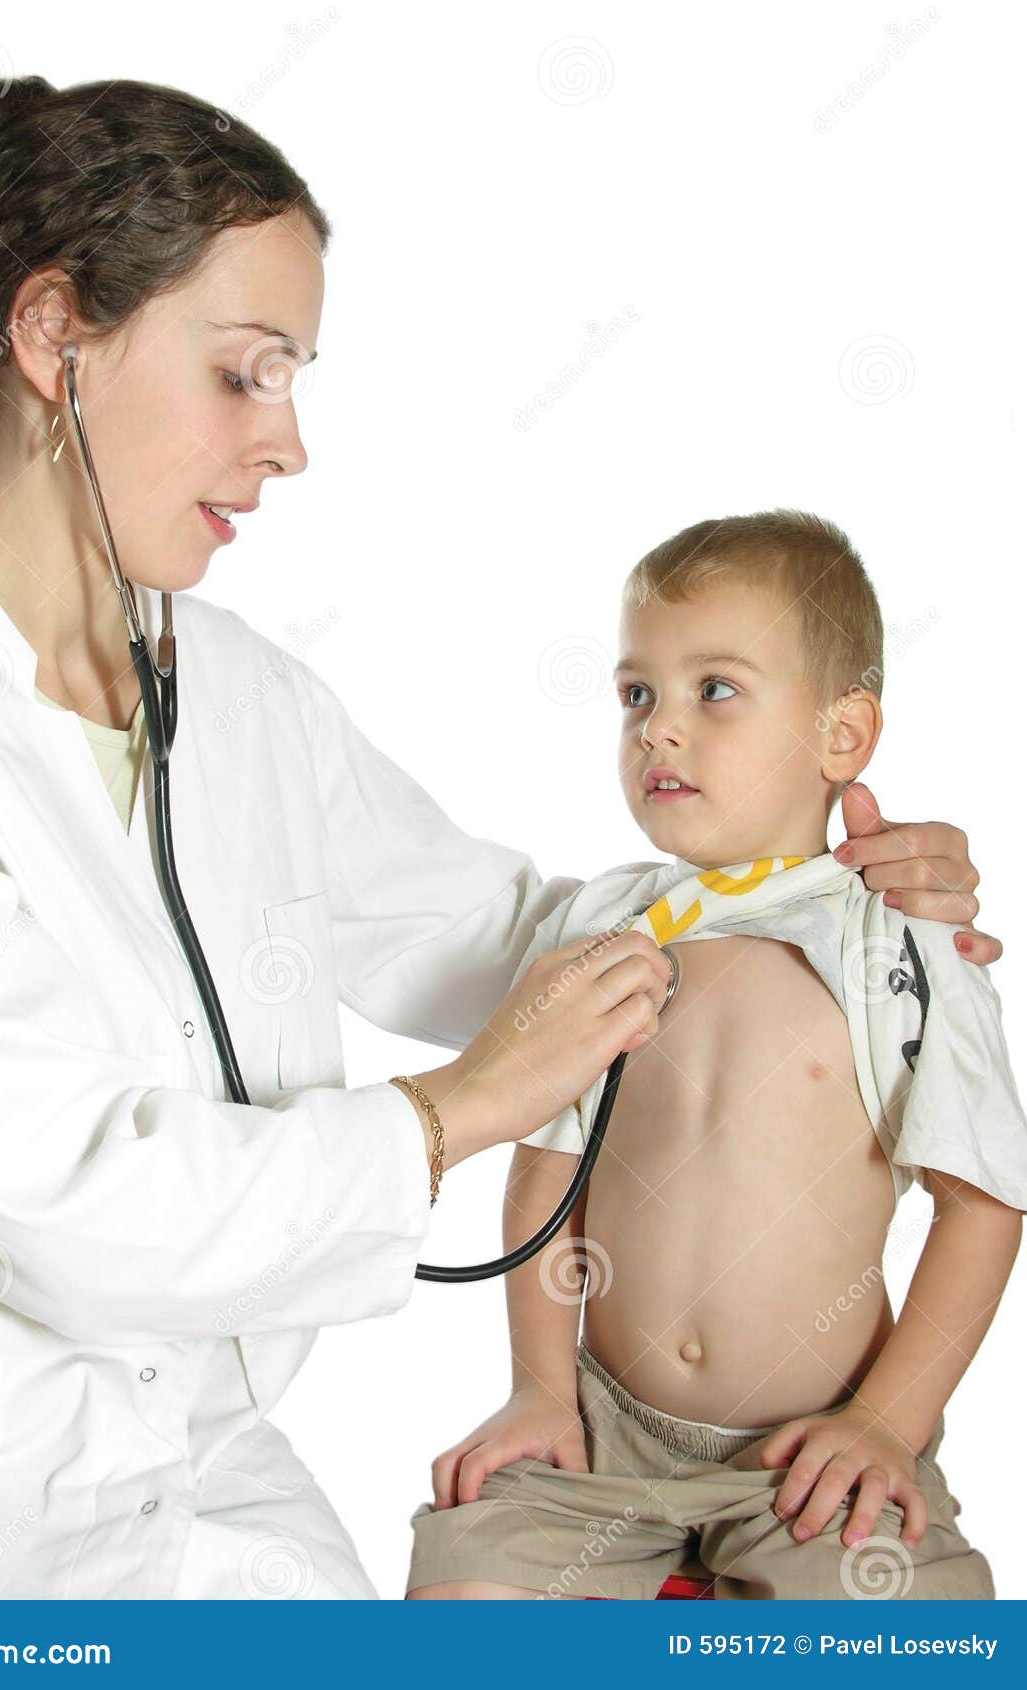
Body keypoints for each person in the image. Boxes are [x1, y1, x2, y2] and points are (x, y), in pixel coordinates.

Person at [0, 75, 995, 1603]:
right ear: (56, 335)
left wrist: (807, 894)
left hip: (214, 1496)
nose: (292, 441)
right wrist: (456, 1110)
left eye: (296, 376)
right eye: (246, 374)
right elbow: (46, 1191)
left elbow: (517, 939)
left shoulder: (238, 694)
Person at [404, 511, 1025, 1601]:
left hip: (807, 1451)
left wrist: (886, 1420)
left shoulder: (904, 943)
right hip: (605, 1438)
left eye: (715, 689)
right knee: (468, 1583)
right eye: (637, 694)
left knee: (914, 1617)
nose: (658, 731)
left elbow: (983, 1202)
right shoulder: (605, 928)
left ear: (842, 735)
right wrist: (541, 1388)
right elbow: (548, 1170)